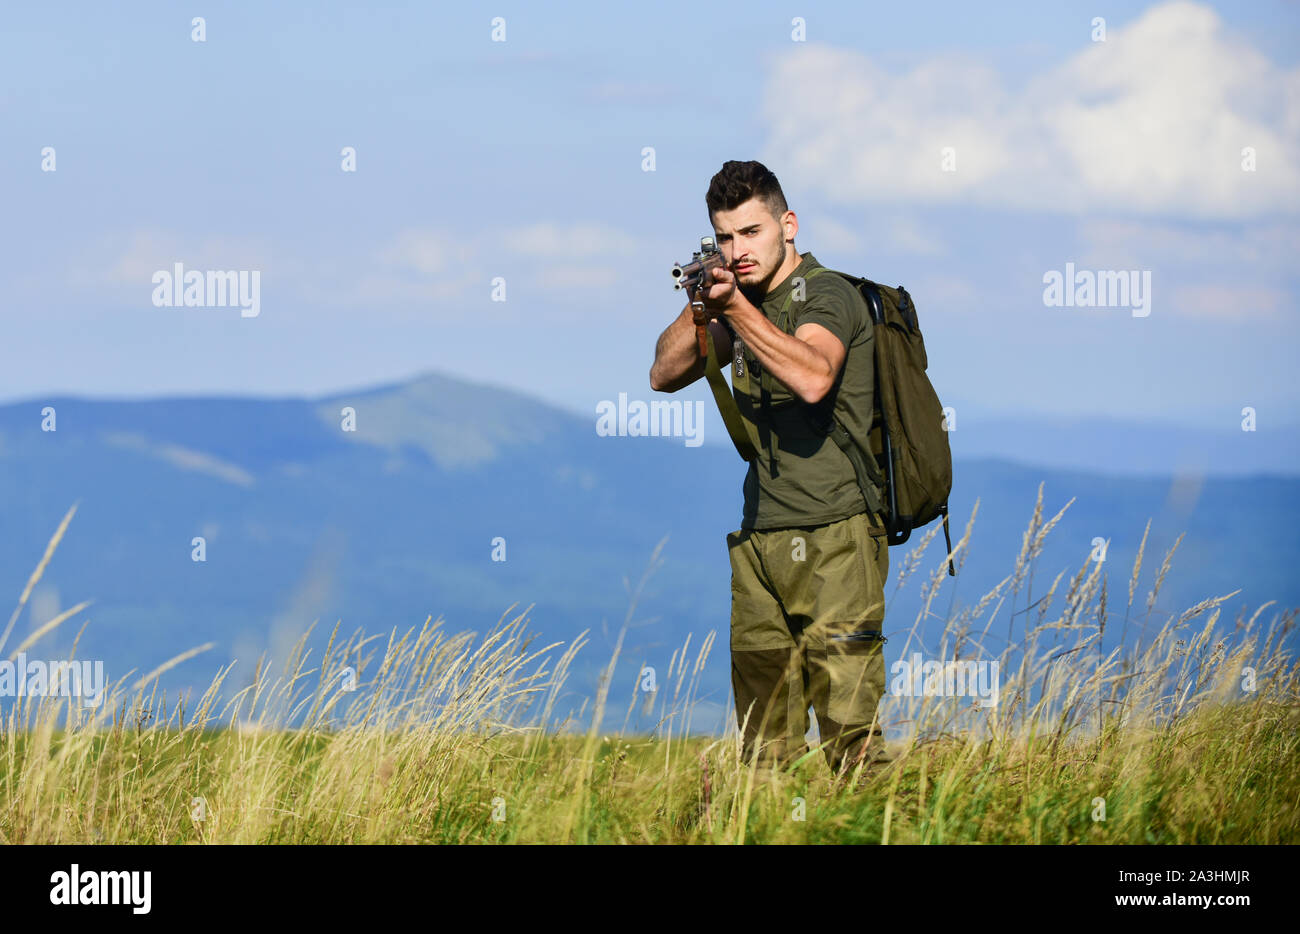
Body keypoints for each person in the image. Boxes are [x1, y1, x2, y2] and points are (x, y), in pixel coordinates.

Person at [649, 160, 890, 784]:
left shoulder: (827, 293)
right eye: (725, 238)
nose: (739, 250)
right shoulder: (739, 300)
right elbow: (662, 373)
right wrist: (706, 305)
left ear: (788, 225)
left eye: (751, 233)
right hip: (760, 542)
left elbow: (813, 375)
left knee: (851, 735)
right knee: (762, 744)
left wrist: (736, 310)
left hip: (837, 536)